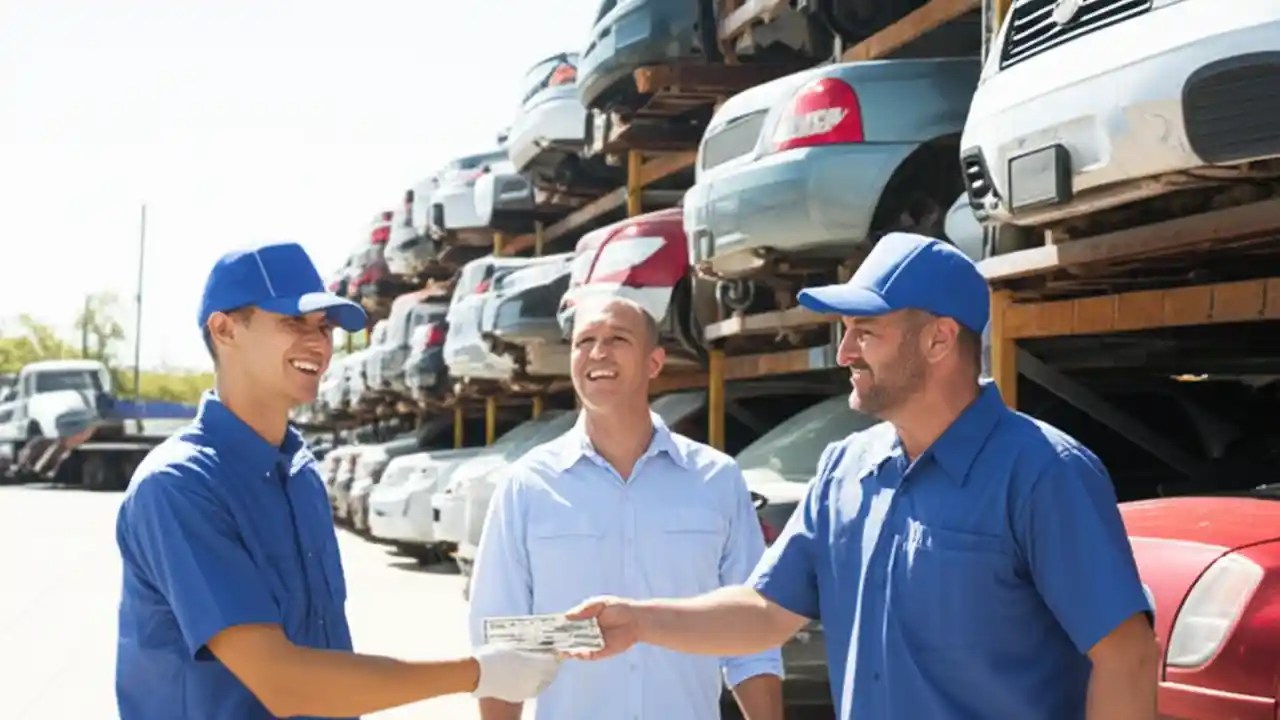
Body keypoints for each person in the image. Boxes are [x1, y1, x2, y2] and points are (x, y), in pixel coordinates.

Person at [565, 232, 1161, 719]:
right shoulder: (844, 471)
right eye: (845, 331)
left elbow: (1126, 656)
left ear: (939, 339)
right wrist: (640, 621)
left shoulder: (1044, 473)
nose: (845, 352)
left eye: (866, 331)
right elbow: (766, 612)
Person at [114, 241, 561, 720]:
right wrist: (478, 673)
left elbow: (325, 658)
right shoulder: (180, 486)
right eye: (293, 322)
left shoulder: (299, 473)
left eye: (324, 327)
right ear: (225, 330)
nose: (318, 343)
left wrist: (549, 638)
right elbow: (284, 684)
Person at [466, 295, 784, 720]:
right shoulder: (527, 486)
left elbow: (753, 635)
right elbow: (503, 650)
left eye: (617, 339)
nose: (598, 352)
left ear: (654, 363)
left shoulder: (716, 480)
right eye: (585, 341)